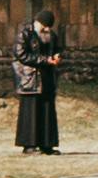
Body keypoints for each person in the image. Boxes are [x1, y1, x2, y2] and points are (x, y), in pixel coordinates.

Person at [13, 13, 67, 156]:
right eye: (45, 26)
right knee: (31, 113)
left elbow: (58, 49)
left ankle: (47, 145)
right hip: (30, 78)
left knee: (47, 112)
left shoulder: (52, 36)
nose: (47, 30)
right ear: (38, 23)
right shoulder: (25, 34)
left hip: (47, 78)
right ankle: (29, 146)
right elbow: (22, 55)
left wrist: (57, 56)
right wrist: (45, 60)